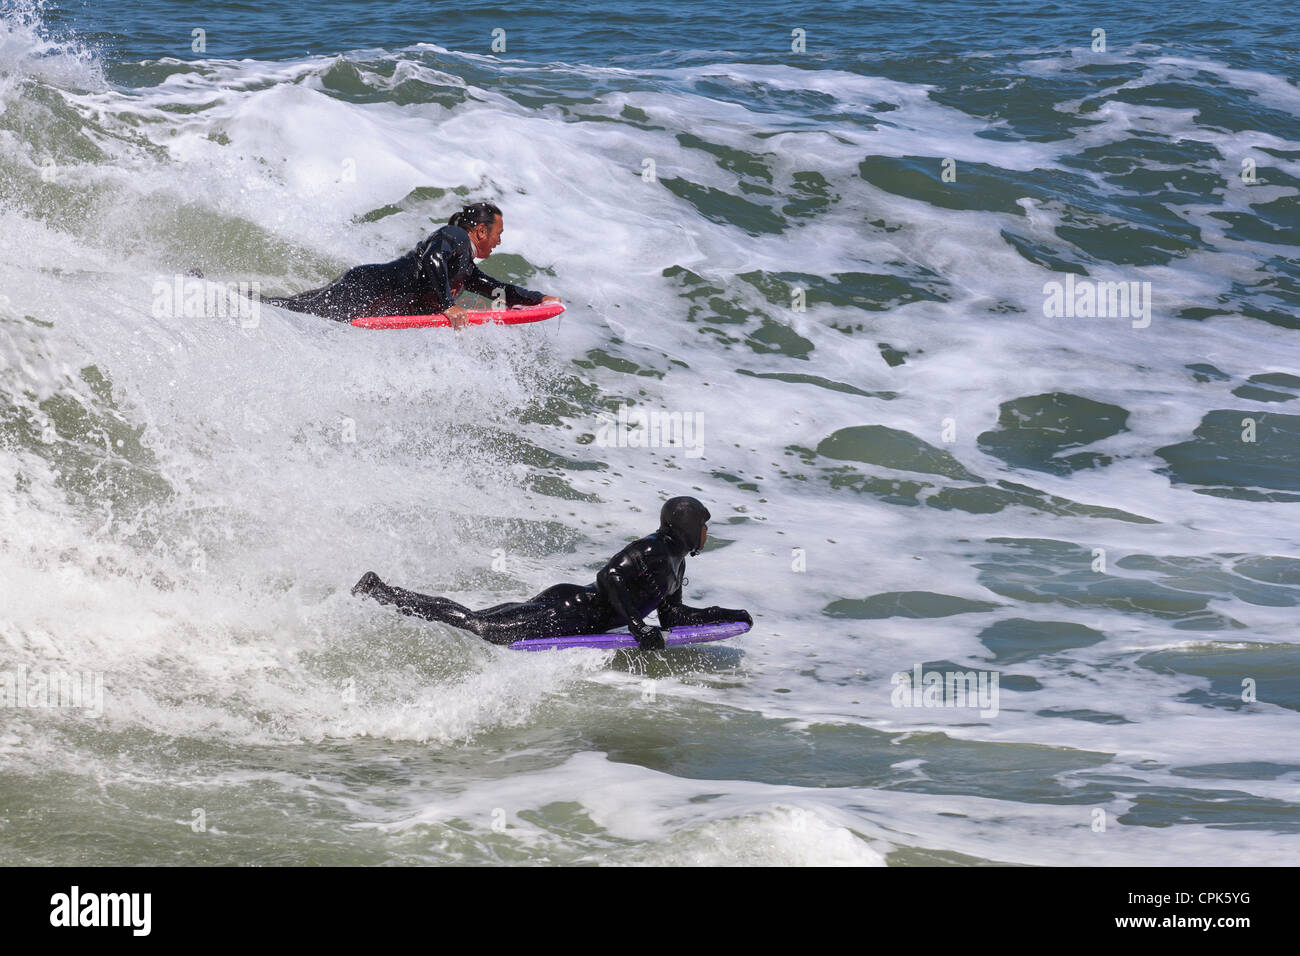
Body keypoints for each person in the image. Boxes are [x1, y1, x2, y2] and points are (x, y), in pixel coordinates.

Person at [351, 497, 752, 649]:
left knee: (482, 620)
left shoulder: (676, 565)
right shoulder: (653, 549)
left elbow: (674, 617)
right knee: (481, 628)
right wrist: (635, 626)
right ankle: (383, 593)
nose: (706, 533)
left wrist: (728, 615)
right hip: (569, 609)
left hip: (571, 607)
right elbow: (609, 577)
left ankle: (384, 593)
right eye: (704, 525)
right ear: (687, 526)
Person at [262, 202, 561, 328]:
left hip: (370, 293)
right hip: (366, 287)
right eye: (498, 234)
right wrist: (448, 304)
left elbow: (495, 289)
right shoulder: (454, 236)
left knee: (300, 307)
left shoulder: (464, 264)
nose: (498, 242)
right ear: (481, 231)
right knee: (300, 310)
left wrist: (538, 299)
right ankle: (247, 302)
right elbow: (433, 257)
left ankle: (252, 302)